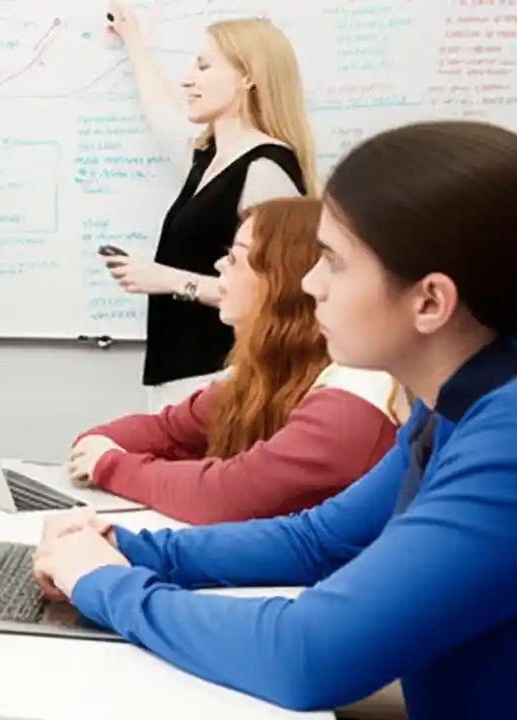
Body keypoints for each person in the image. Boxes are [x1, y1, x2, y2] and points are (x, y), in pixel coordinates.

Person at [33, 120, 517, 720]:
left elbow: (308, 653)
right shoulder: (451, 405)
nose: (309, 283)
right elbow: (318, 539)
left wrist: (104, 584)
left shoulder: (506, 442)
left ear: (430, 301)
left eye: (333, 263)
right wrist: (130, 549)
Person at [67, 198, 403, 524]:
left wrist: (110, 465)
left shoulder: (355, 394)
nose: (219, 265)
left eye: (234, 257)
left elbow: (228, 494)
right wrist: (98, 449)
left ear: (281, 280)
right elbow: (167, 430)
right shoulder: (257, 374)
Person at [102, 2, 316, 410]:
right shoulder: (208, 159)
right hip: (179, 375)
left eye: (203, 67)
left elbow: (278, 292)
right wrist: (134, 43)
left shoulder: (266, 168)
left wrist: (165, 278)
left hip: (225, 376)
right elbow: (163, 112)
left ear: (248, 76)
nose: (187, 81)